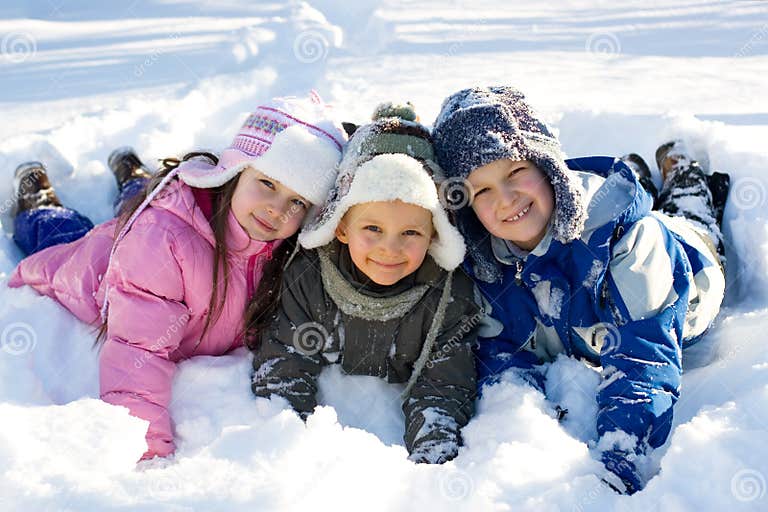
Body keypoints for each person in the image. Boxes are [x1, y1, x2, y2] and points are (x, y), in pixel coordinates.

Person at [8, 93, 346, 460]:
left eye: (298, 201)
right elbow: (137, 354)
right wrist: (146, 449)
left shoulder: (287, 250)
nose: (277, 209)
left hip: (160, 229)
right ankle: (38, 200)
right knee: (63, 234)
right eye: (267, 184)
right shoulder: (161, 243)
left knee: (142, 199)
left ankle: (134, 177)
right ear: (235, 171)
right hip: (97, 267)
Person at [431, 86, 726, 493]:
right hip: (586, 296)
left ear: (548, 165)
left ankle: (684, 176)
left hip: (686, 264)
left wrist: (619, 461)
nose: (506, 198)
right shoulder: (487, 261)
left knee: (687, 218)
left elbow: (643, 363)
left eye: (516, 172)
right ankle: (637, 173)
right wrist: (520, 427)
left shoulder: (632, 244)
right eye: (481, 190)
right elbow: (501, 355)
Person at [250, 103, 480, 464]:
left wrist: (433, 464)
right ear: (341, 227)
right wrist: (291, 449)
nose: (390, 248)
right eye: (372, 229)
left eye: (411, 232)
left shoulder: (447, 297)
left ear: (434, 234)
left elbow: (444, 388)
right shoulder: (310, 277)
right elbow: (284, 362)